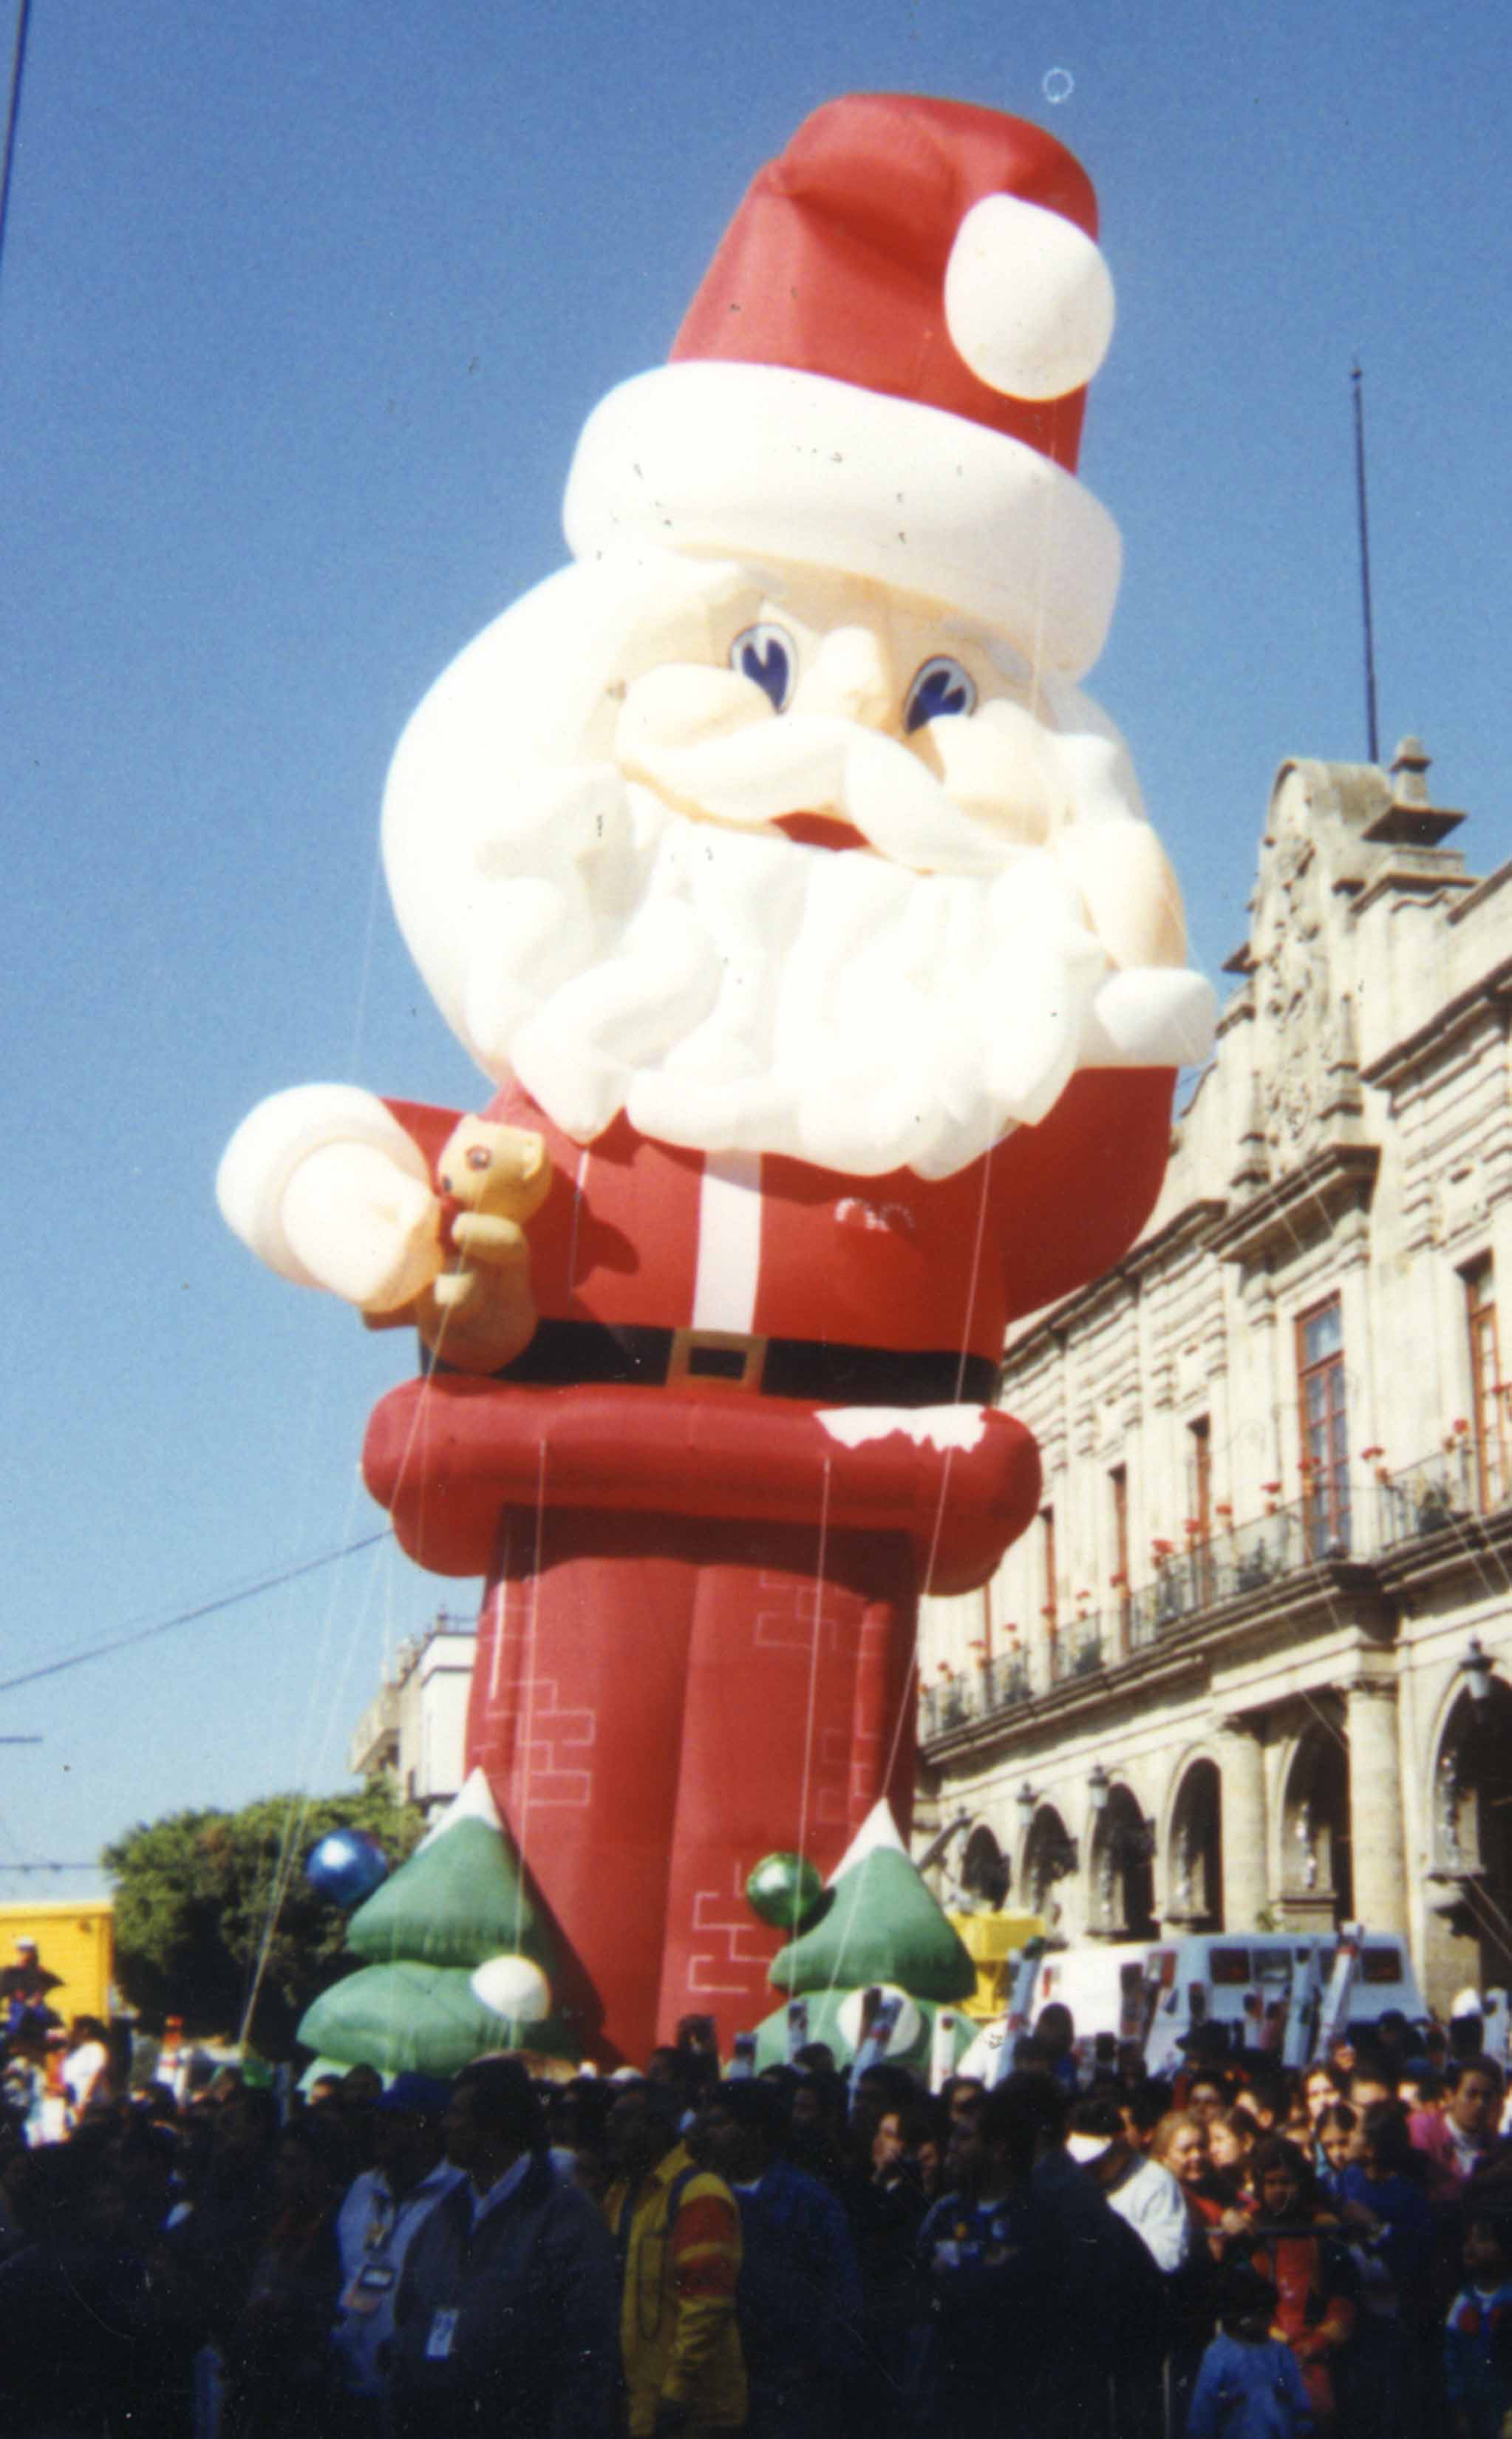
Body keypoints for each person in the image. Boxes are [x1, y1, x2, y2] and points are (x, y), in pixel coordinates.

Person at [219, 92, 1213, 2067]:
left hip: (835, 1508)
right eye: (760, 656)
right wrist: (372, 1211)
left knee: (784, 1872)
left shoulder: (960, 1069)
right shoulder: (588, 1061)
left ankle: (774, 2101)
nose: (841, 751)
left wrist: (1100, 976)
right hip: (574, 1490)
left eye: (943, 696)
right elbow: (326, 1154)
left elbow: (1087, 1182)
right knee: (566, 1825)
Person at [389, 2056, 618, 2439]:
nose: (446, 2125)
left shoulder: (565, 2216)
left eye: (457, 2114)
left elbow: (589, 2351)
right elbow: (410, 2314)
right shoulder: (446, 2214)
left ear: (495, 2123)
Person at [700, 2078, 862, 2439]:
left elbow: (840, 2296)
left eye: (720, 2123)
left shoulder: (809, 2201)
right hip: (714, 2386)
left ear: (754, 2130)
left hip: (787, 2390)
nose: (710, 2133)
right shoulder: (701, 2195)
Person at [602, 2076, 745, 2437]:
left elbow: (707, 2307)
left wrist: (676, 2392)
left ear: (656, 2126)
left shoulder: (700, 2193)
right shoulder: (620, 2195)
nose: (610, 2126)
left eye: (623, 2118)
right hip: (639, 2409)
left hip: (694, 2415)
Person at [330, 2072, 464, 2436]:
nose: (380, 2127)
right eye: (380, 2117)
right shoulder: (363, 2188)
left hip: (417, 2400)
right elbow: (357, 2272)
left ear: (427, 2129)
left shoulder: (459, 2196)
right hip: (350, 2386)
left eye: (395, 2119)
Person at [1243, 2134, 1356, 2430]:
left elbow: (1343, 2302)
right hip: (1265, 2352)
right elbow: (1243, 2305)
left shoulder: (1322, 2232)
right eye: (1271, 2183)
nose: (1280, 2190)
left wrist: (1318, 2341)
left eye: (1287, 2182)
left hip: (1315, 2355)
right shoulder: (1251, 2233)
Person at [1186, 2262, 1317, 2439]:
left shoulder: (1281, 2354)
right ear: (1240, 2316)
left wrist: (1304, 2429)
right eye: (1259, 2314)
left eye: (1269, 2314)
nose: (1267, 2321)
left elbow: (1299, 2402)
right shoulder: (1219, 2355)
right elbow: (1203, 2411)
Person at [1444, 2208, 1512, 2439]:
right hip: (1473, 2409)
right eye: (1468, 2239)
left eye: (1482, 2239)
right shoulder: (1463, 2301)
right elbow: (1450, 2356)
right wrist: (1458, 2408)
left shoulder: (1508, 2300)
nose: (1471, 2246)